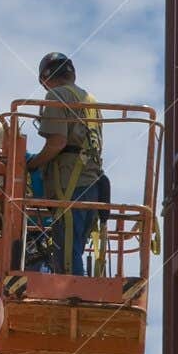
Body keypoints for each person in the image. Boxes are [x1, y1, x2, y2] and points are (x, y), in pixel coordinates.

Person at [27, 52, 107, 277]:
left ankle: (73, 293)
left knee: (67, 254)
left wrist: (33, 164)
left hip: (70, 185)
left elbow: (57, 143)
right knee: (75, 248)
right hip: (92, 184)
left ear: (45, 79)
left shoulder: (56, 95)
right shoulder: (90, 100)